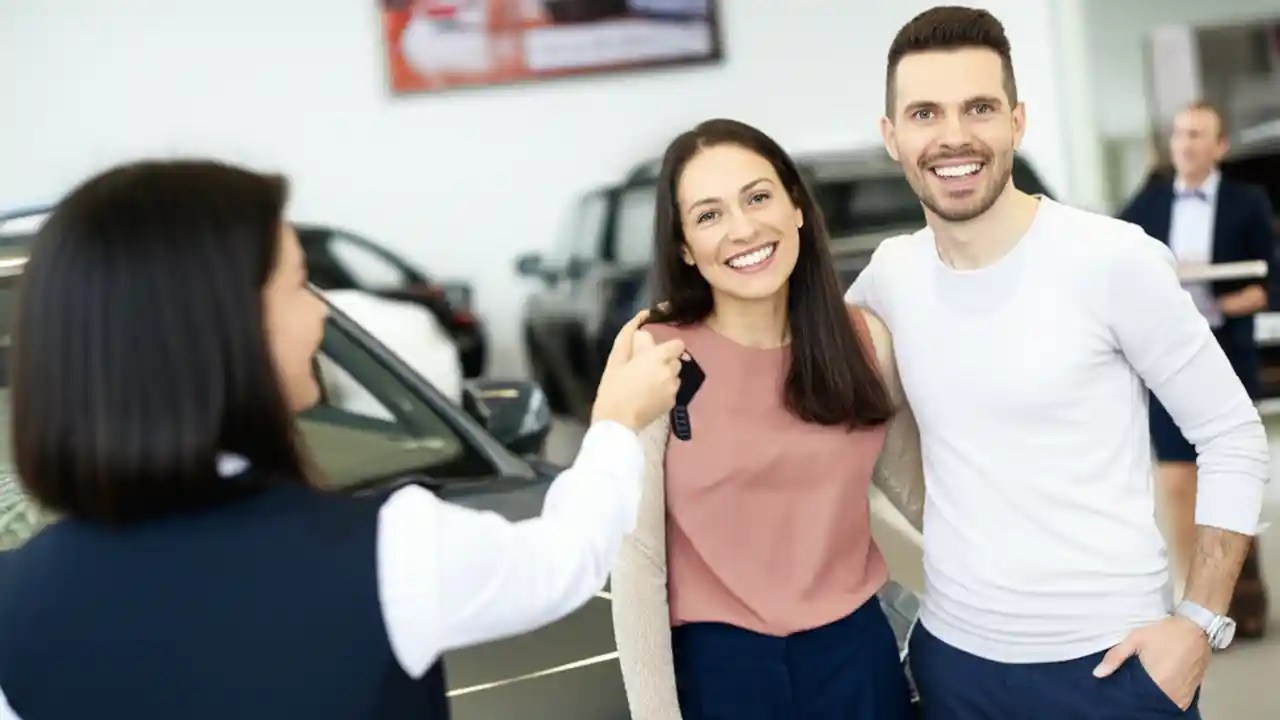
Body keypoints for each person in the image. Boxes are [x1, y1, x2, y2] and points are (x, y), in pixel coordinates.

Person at [0, 159, 685, 720]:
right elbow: (562, 562)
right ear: (228, 331)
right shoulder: (383, 552)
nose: (320, 321)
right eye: (301, 287)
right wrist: (617, 425)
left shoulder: (19, 602)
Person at [846, 7, 1270, 718]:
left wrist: (1199, 625)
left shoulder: (1111, 258)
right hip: (953, 668)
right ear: (892, 136)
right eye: (925, 112)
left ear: (1017, 121)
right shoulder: (891, 275)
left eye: (979, 108)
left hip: (1114, 670)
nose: (953, 136)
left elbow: (1231, 433)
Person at [610, 118, 926, 720]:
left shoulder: (865, 343)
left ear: (797, 208)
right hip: (721, 672)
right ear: (684, 247)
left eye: (758, 198)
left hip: (857, 660)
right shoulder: (654, 355)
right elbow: (638, 559)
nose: (743, 228)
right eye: (709, 215)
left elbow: (920, 502)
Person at [1119, 101, 1273, 637]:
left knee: (1229, 476)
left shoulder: (1247, 202)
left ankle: (1237, 592)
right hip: (1166, 364)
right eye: (1180, 133)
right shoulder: (1149, 201)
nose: (1185, 144)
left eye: (1197, 134)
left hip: (1227, 355)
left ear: (1220, 145)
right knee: (1178, 481)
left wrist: (1220, 304)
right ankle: (1195, 600)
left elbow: (1267, 280)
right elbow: (1119, 265)